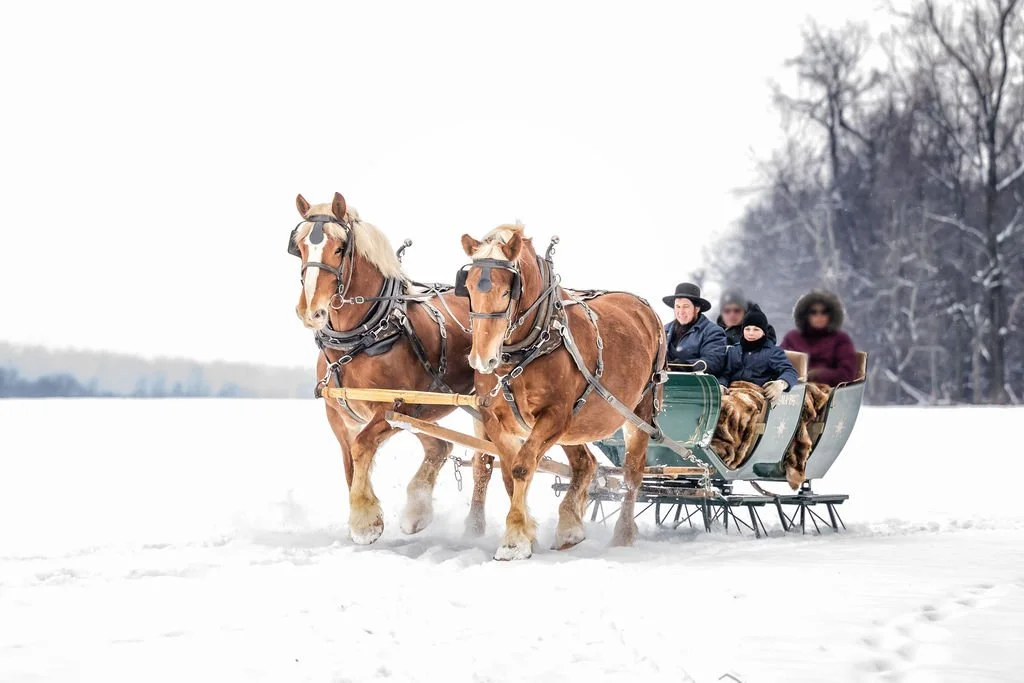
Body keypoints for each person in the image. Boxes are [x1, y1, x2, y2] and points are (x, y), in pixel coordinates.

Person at [780, 290, 858, 386]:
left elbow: (847, 374)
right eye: (813, 312)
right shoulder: (792, 337)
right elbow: (777, 362)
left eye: (824, 312)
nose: (819, 316)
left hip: (826, 392)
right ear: (805, 315)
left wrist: (817, 374)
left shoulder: (840, 339)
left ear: (832, 315)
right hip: (792, 388)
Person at [718, 310, 798, 402]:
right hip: (731, 393)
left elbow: (790, 371)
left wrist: (781, 383)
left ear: (763, 332)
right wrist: (721, 384)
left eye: (756, 329)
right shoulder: (734, 350)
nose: (751, 333)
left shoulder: (773, 352)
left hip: (755, 396)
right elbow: (725, 373)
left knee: (731, 409)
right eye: (747, 329)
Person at [663, 282, 727, 376]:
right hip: (665, 384)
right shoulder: (664, 330)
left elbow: (714, 361)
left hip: (695, 385)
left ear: (697, 309)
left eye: (686, 306)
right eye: (677, 306)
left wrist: (686, 366)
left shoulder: (713, 332)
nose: (681, 311)